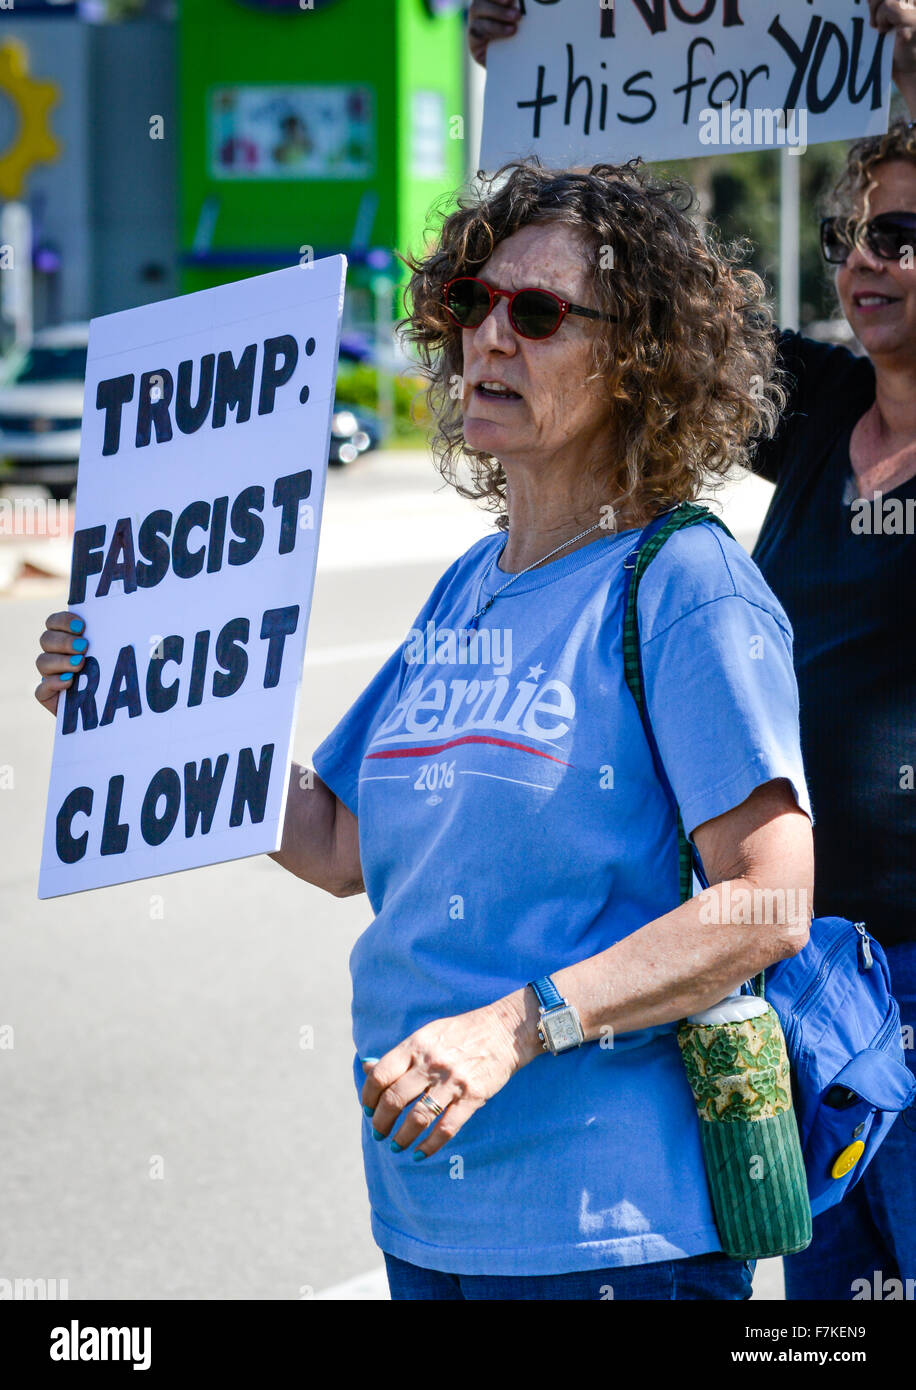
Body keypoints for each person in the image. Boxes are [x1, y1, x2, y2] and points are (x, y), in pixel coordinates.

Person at [35, 156, 814, 1301]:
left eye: (538, 314)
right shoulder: (466, 585)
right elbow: (338, 845)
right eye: (471, 303)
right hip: (430, 1215)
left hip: (608, 1238)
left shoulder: (685, 582)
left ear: (641, 360)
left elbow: (766, 900)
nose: (488, 339)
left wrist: (516, 1026)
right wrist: (143, 704)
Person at [467, 0, 916, 1304]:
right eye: (850, 237)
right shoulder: (830, 407)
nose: (863, 263)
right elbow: (659, 299)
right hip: (809, 967)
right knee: (828, 1292)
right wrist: (567, 97)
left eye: (901, 235)